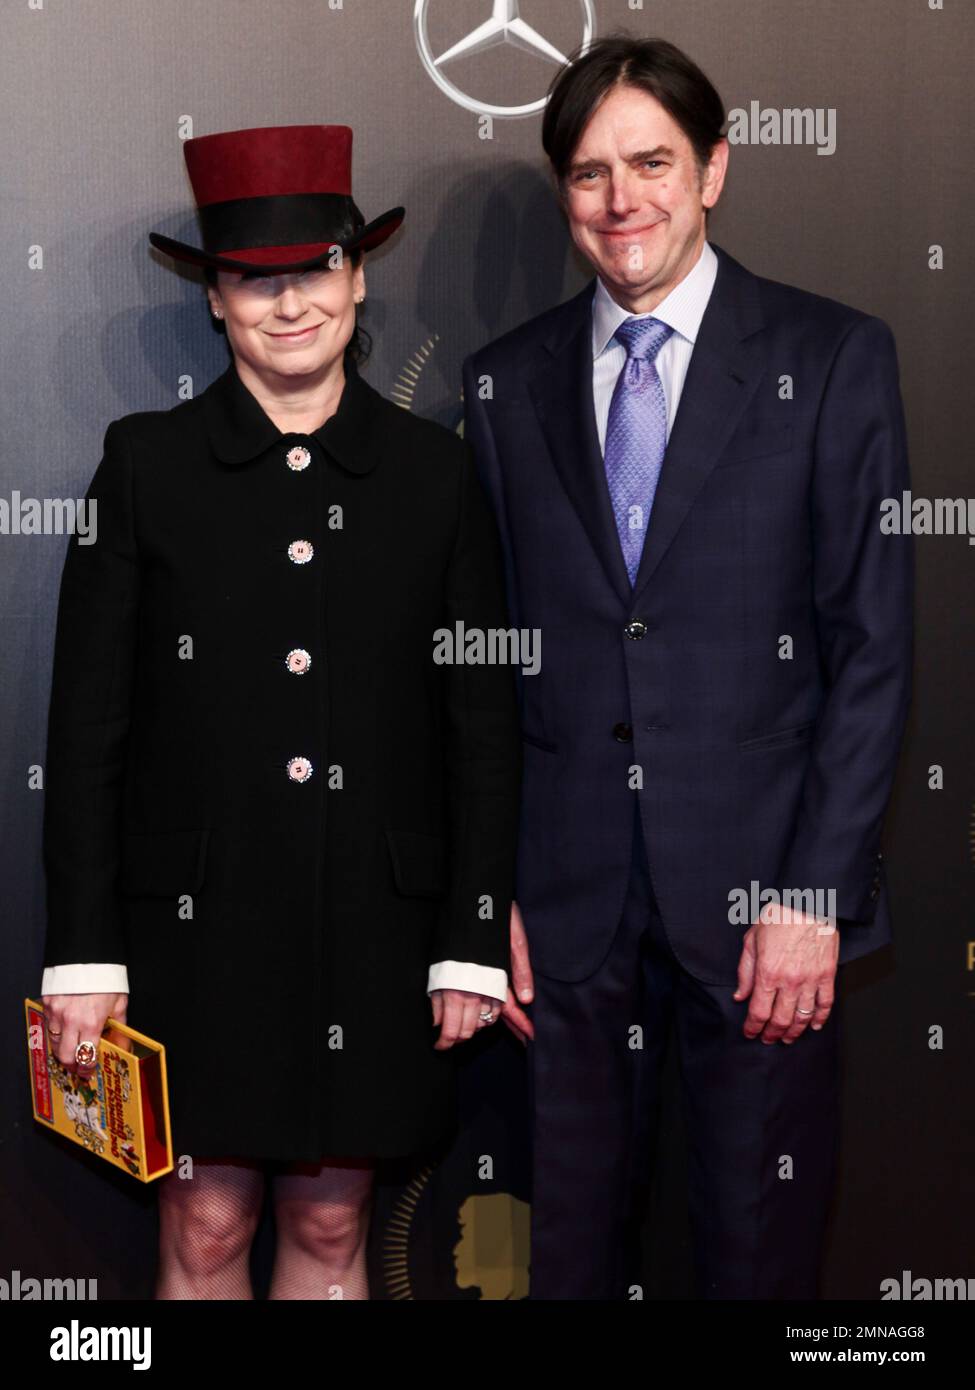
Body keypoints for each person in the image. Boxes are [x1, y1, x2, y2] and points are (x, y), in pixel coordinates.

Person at [462, 37, 913, 1299]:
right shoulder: (504, 385)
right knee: (562, 1263)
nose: (623, 202)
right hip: (563, 915)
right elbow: (486, 668)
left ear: (713, 168)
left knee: (755, 1261)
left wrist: (812, 898)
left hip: (765, 912)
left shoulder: (832, 358)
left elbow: (873, 649)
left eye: (652, 162)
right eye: (590, 173)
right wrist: (484, 890)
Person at [40, 123, 520, 1300]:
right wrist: (83, 953)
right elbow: (86, 727)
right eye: (256, 280)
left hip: (378, 929)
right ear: (215, 300)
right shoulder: (144, 466)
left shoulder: (434, 473)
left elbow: (481, 722)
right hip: (189, 933)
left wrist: (472, 931)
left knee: (332, 1226)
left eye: (316, 271)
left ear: (359, 277)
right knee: (202, 1230)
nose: (290, 303)